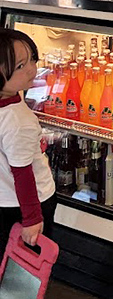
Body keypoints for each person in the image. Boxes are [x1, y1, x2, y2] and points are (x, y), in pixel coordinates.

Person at [0, 29, 56, 256]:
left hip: (5, 200)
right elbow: (22, 173)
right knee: (26, 263)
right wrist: (32, 219)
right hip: (28, 204)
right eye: (20, 66)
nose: (32, 69)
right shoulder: (18, 121)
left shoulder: (8, 102)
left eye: (32, 59)